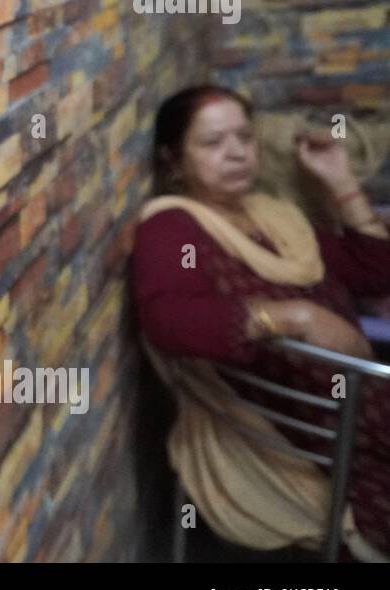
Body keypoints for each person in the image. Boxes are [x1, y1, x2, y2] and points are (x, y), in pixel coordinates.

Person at [130, 84, 390, 560]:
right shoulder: (175, 229)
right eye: (212, 143)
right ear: (173, 158)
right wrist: (297, 316)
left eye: (244, 138)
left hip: (365, 402)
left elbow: (374, 272)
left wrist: (340, 182)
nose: (236, 154)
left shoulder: (274, 217)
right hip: (308, 432)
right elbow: (168, 318)